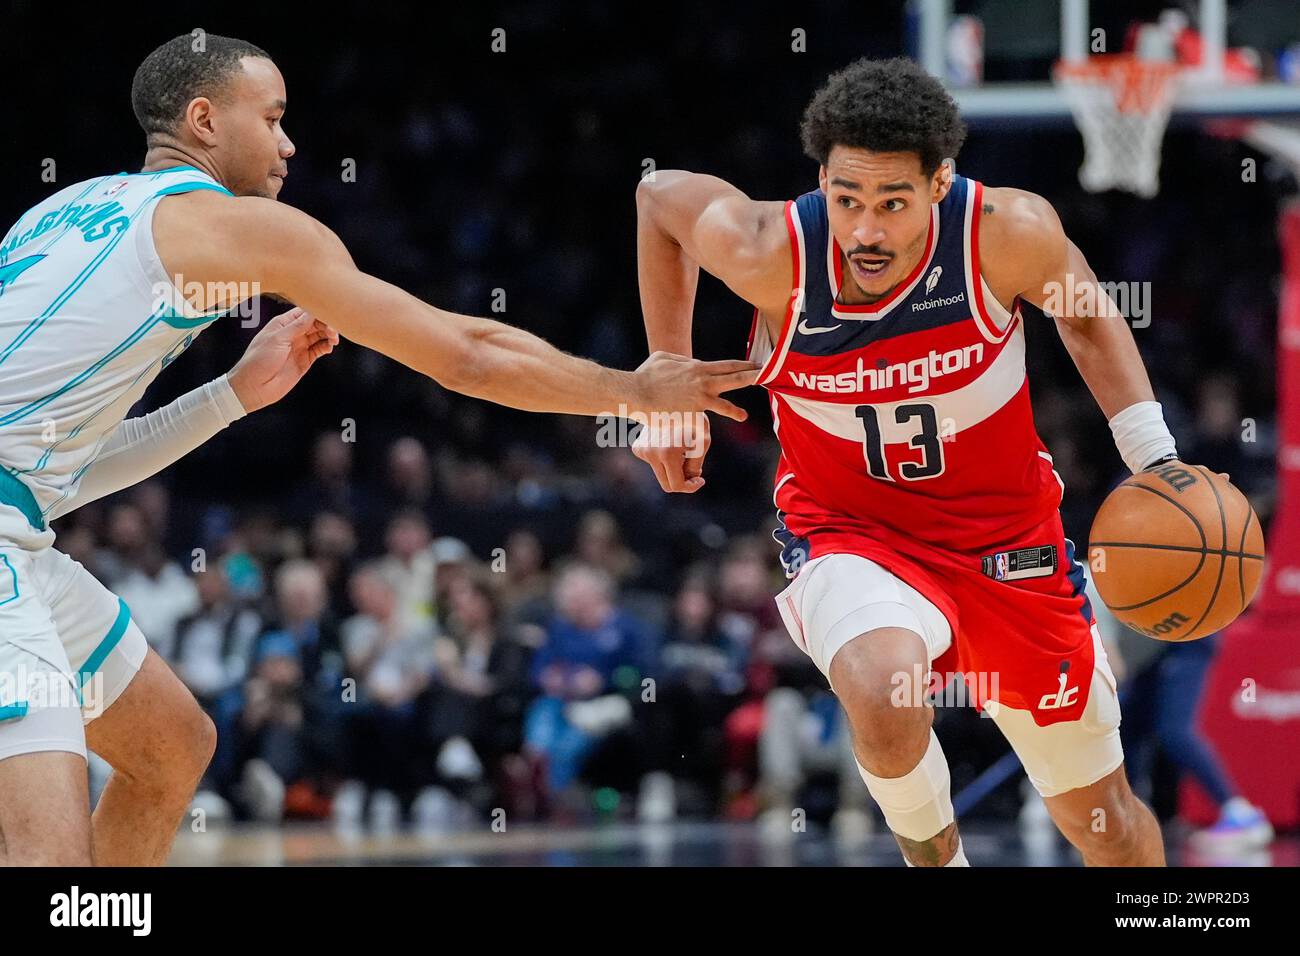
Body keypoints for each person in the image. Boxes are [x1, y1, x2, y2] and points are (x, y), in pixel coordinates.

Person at [0, 33, 756, 865]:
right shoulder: (240, 229)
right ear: (204, 120)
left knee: (170, 748)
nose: (290, 143)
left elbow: (47, 484)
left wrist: (230, 396)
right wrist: (635, 391)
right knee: (50, 867)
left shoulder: (58, 212)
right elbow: (463, 352)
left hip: (19, 528)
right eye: (274, 117)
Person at [630, 56, 1222, 866]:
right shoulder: (771, 250)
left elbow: (1086, 314)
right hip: (852, 535)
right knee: (881, 683)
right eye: (847, 199)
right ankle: (936, 860)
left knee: (1108, 827)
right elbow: (657, 197)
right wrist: (666, 385)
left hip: (1012, 548)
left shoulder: (1005, 232)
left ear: (941, 183)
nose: (866, 229)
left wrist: (1155, 458)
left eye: (892, 202)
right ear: (822, 180)